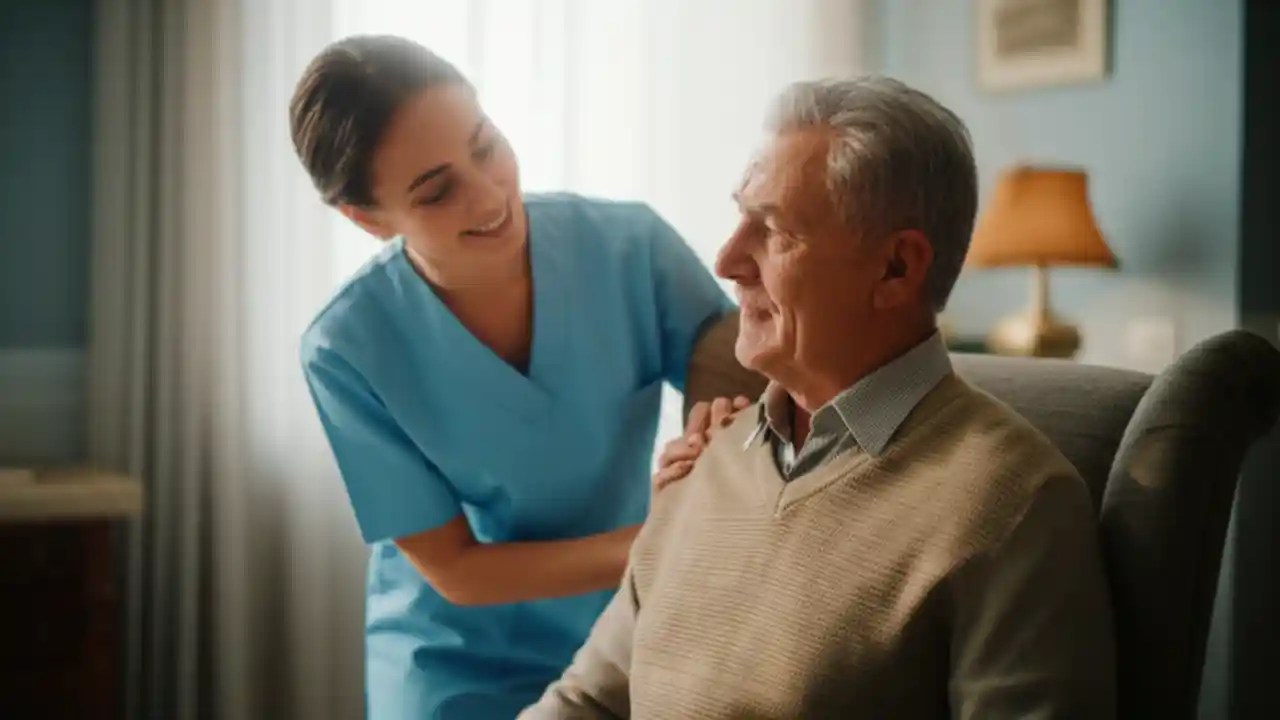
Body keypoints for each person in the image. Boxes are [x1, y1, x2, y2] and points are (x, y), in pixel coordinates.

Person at [523, 76, 1117, 719]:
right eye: (739, 216)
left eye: (773, 231)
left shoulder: (1014, 502)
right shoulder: (707, 458)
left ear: (896, 268)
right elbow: (586, 701)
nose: (726, 260)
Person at [292, 35, 744, 718]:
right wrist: (662, 543)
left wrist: (714, 448)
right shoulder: (346, 348)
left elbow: (731, 354)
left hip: (629, 634)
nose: (488, 196)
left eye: (484, 145)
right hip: (451, 672)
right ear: (367, 219)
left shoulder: (630, 248)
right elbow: (457, 571)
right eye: (437, 190)